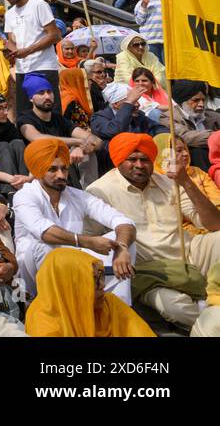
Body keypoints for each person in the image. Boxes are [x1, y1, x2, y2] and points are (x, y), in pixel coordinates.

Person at [87, 133, 220, 329]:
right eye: (132, 159)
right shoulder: (99, 191)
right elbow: (93, 240)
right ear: (118, 160)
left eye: (145, 159)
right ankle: (210, 323)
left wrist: (186, 183)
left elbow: (214, 224)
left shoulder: (168, 182)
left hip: (189, 253)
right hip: (150, 272)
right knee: (175, 307)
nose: (139, 165)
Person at [12, 139, 136, 303]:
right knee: (43, 247)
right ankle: (61, 304)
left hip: (74, 265)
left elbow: (123, 221)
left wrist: (122, 248)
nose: (61, 175)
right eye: (53, 170)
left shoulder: (75, 195)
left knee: (122, 239)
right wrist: (87, 242)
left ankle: (118, 304)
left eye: (64, 168)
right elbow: (44, 232)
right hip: (34, 275)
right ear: (38, 171)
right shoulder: (24, 195)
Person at [24, 247, 154, 337]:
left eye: (102, 276)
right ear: (70, 286)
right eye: (94, 280)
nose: (103, 285)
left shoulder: (109, 303)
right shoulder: (43, 322)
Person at [16, 75, 100, 187]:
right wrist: (78, 142)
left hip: (64, 160)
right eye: (41, 93)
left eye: (49, 92)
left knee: (88, 153)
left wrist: (81, 148)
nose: (47, 96)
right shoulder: (25, 118)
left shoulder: (59, 119)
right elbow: (36, 138)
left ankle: (90, 192)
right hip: (41, 163)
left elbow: (96, 140)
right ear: (31, 98)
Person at [0, 0, 61, 115]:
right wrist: (10, 51)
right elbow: (12, 40)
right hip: (22, 70)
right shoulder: (9, 14)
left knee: (49, 114)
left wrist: (28, 50)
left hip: (43, 67)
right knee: (25, 116)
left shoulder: (39, 5)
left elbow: (55, 34)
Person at [133, 0, 164, 64]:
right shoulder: (140, 3)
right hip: (150, 40)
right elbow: (139, 21)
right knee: (155, 67)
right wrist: (144, 6)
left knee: (168, 68)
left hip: (166, 38)